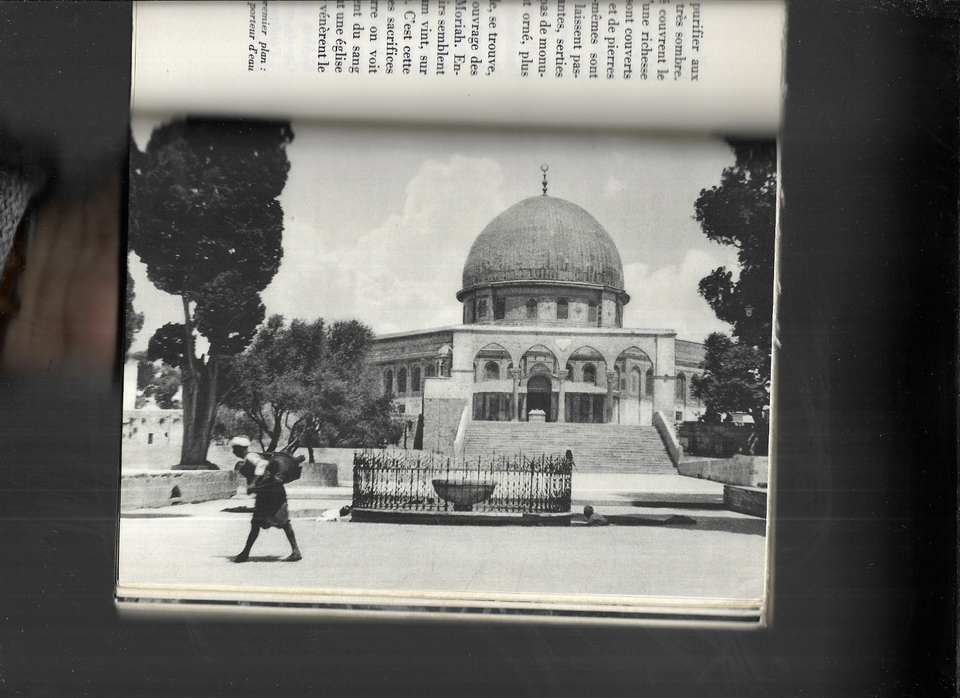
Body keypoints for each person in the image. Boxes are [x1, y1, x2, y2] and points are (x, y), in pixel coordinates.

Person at [234, 457, 302, 563]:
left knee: (280, 523)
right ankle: (245, 552)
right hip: (272, 496)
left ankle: (245, 553)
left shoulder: (260, 466)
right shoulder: (262, 468)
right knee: (260, 524)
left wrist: (254, 487)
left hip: (272, 497)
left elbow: (268, 480)